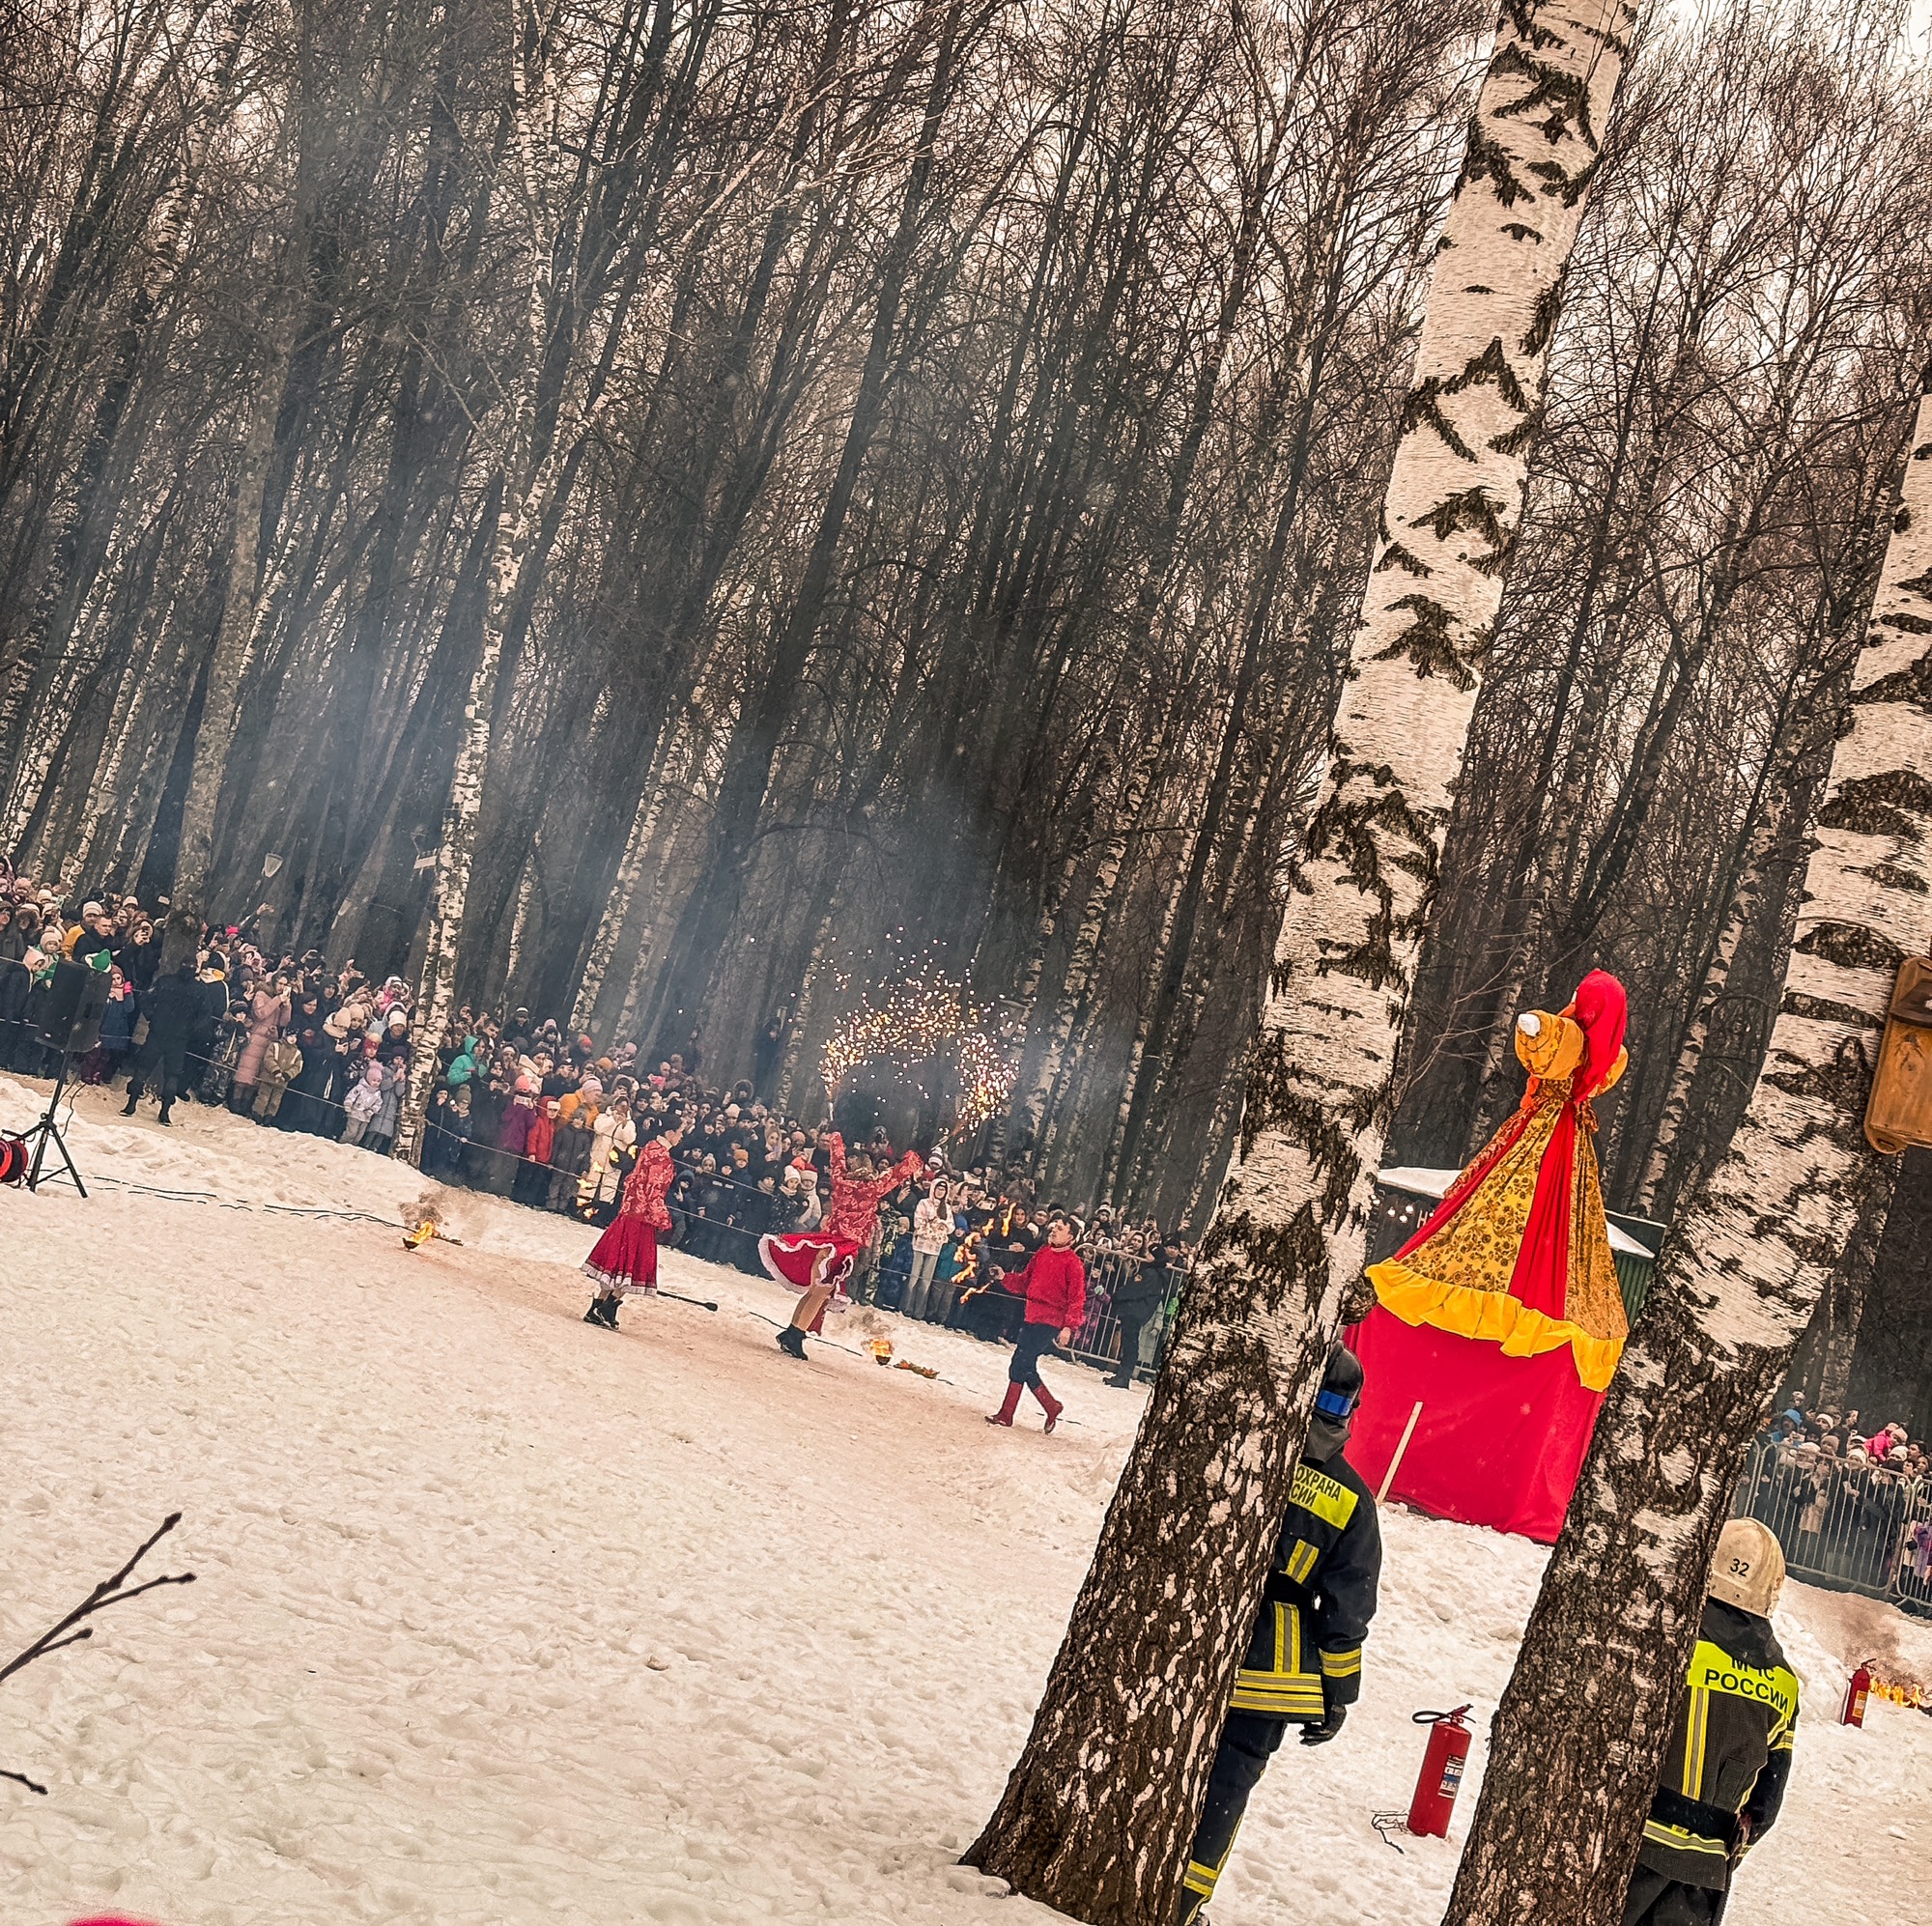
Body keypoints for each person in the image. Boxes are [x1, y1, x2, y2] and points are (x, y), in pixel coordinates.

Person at [1177, 1348, 1380, 1926]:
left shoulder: (1245, 1448)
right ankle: (1184, 1904)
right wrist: (1338, 1695)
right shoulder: (1352, 1499)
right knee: (1230, 1783)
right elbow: (1348, 1607)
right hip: (1274, 1665)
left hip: (1197, 1634)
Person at [1623, 1518, 1798, 1926]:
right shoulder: (1783, 1683)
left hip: (1632, 1853)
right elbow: (1766, 1805)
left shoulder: (1672, 1643)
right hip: (1703, 1879)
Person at [761, 1130, 923, 1359]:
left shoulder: (840, 1181)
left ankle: (792, 1331)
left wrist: (836, 1138)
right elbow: (897, 1175)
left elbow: (836, 1160)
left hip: (827, 1240)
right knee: (819, 1293)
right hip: (842, 1247)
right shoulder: (872, 1189)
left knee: (813, 1292)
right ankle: (796, 1334)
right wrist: (915, 1158)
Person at [582, 1118, 685, 1330]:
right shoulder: (663, 1160)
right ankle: (607, 1307)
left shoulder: (649, 1148)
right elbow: (653, 1192)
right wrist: (663, 1218)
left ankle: (599, 1306)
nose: (682, 1136)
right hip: (642, 1219)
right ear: (670, 1133)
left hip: (629, 1212)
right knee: (635, 1265)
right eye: (680, 1132)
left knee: (616, 1262)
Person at [986, 1214, 1087, 1432]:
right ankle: (1051, 1406)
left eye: (1060, 1229)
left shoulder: (1074, 1264)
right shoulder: (1042, 1253)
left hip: (1050, 1320)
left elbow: (1077, 1298)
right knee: (1026, 1365)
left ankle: (1007, 1414)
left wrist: (1069, 1326)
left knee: (1020, 1362)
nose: (1053, 1230)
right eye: (1054, 1227)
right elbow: (1025, 1281)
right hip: (1032, 1315)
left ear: (1071, 1237)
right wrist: (1004, 1277)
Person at [121, 960, 204, 1125]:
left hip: (158, 1032)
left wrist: (153, 1017)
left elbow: (145, 998)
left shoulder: (166, 981)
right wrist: (189, 1030)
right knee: (172, 1074)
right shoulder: (199, 989)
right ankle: (164, 1112)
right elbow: (204, 1016)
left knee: (143, 1068)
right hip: (179, 1038)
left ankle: (131, 1105)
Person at [903, 1175, 951, 1320]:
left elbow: (949, 1226)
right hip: (920, 1244)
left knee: (926, 1281)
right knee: (914, 1277)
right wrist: (932, 1226)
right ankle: (907, 1308)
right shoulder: (924, 1203)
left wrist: (939, 1227)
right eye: (938, 1188)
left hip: (934, 1247)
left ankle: (919, 1312)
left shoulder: (946, 1207)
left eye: (943, 1189)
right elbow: (918, 1221)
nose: (940, 1191)